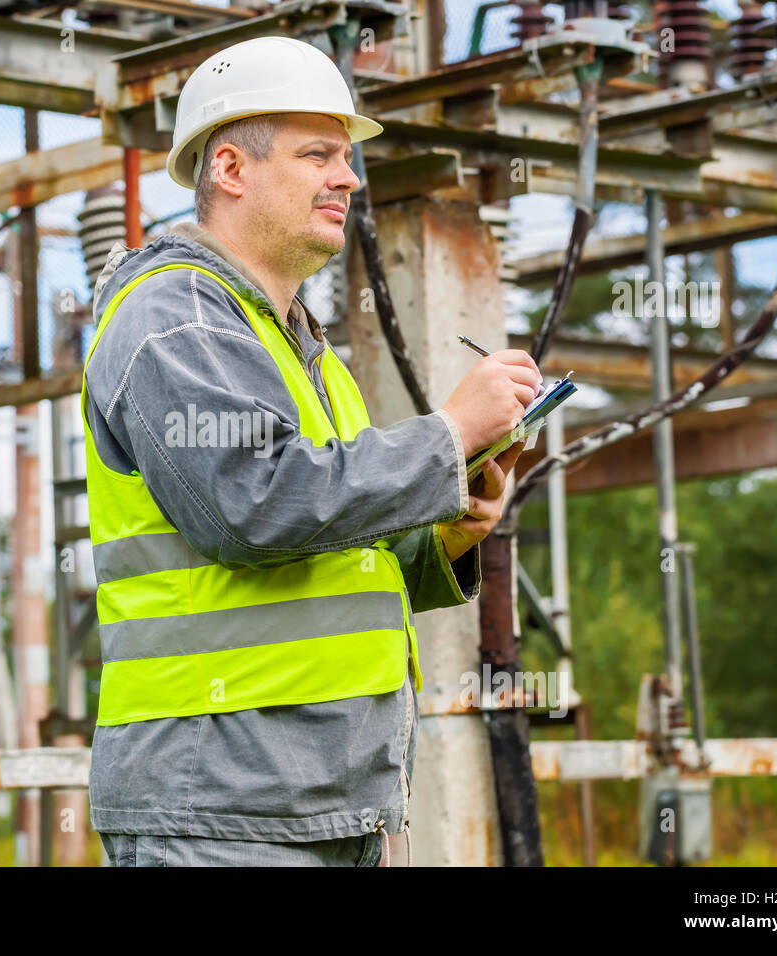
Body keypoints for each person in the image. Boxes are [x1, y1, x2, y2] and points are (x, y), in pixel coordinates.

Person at [82, 35, 542, 867]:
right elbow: (252, 505)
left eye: (347, 156)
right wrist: (445, 438)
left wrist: (444, 534)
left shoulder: (307, 354)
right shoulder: (174, 321)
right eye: (318, 154)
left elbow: (328, 550)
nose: (349, 178)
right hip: (218, 810)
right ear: (230, 168)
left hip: (327, 809)